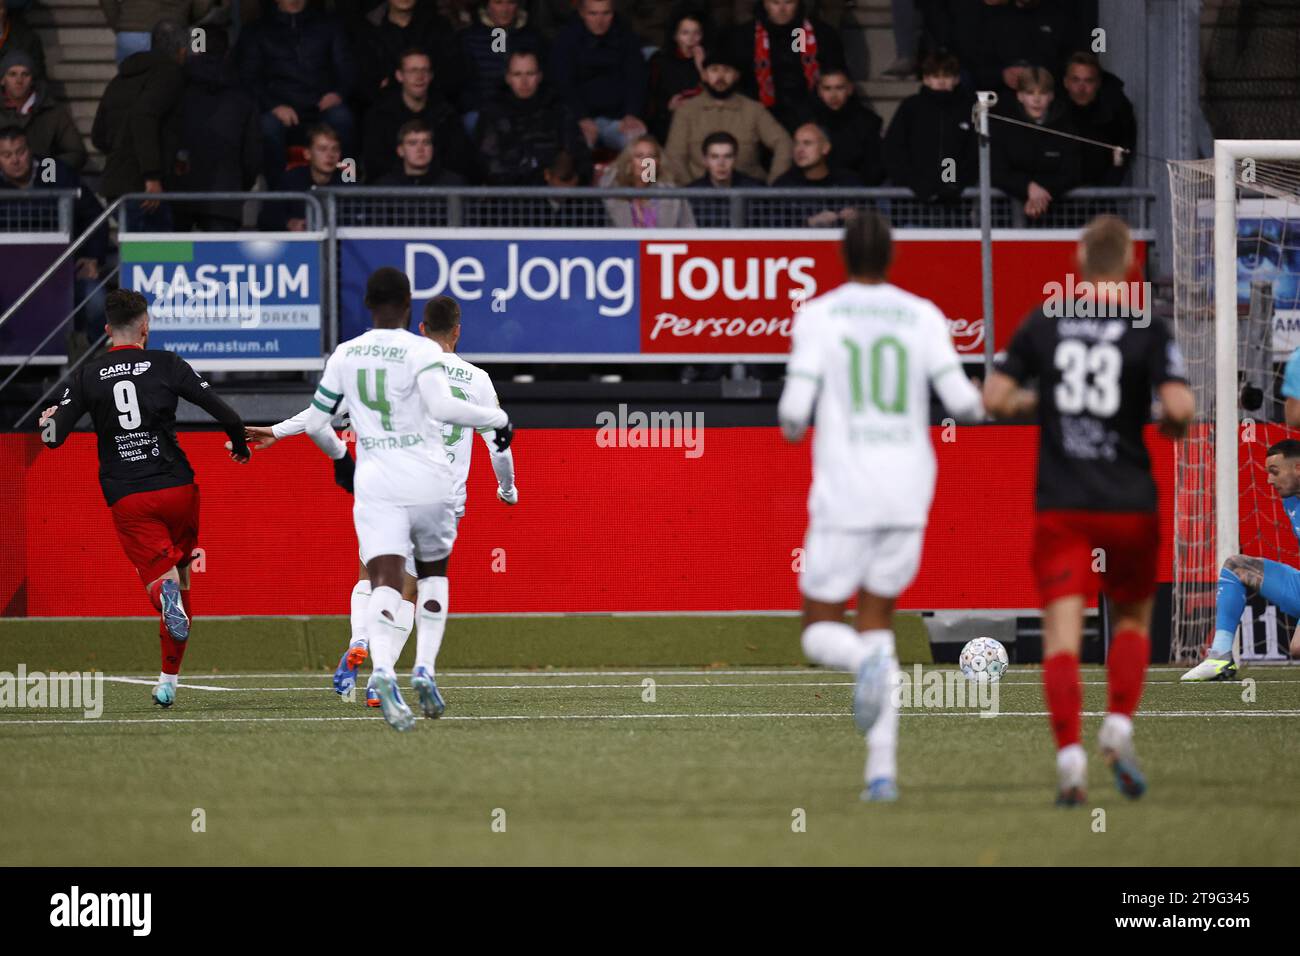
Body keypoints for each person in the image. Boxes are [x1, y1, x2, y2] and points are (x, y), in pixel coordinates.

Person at [983, 215, 1195, 804]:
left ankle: (1071, 760)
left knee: (1061, 639)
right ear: (1129, 263)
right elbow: (1180, 406)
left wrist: (1044, 402)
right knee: (1130, 621)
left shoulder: (1046, 319)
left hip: (1063, 504)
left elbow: (995, 398)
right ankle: (1119, 725)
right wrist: (1169, 424)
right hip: (1129, 502)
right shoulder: (1146, 325)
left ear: (1078, 261)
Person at [778, 211, 983, 802]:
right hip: (908, 492)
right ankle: (881, 774)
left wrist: (796, 425)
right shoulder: (922, 314)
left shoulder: (818, 314)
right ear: (892, 256)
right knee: (878, 626)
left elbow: (794, 410)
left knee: (821, 630)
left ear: (842, 256)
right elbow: (964, 406)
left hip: (845, 493)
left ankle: (861, 672)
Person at [247, 295, 519, 707]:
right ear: (458, 332)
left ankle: (359, 639)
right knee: (410, 590)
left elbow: (325, 412)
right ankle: (382, 673)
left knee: (370, 577)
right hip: (441, 495)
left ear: (422, 330)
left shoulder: (400, 369)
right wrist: (508, 489)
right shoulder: (476, 380)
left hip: (390, 485)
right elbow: (499, 447)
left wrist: (277, 431)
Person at [37, 289, 251, 708]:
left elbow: (52, 438)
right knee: (183, 579)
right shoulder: (167, 363)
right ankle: (168, 680)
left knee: (162, 581)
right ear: (144, 327)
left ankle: (165, 604)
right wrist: (239, 444)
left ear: (106, 331)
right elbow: (226, 412)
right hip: (178, 488)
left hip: (128, 495)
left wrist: (49, 420)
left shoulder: (87, 374)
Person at [1180, 438, 1300, 681]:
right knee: (1236, 567)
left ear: (1298, 468)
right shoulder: (1291, 499)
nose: (1269, 480)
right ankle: (1220, 656)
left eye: (1274, 472)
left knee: (1298, 648)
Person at [0, 126, 107, 360]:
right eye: (7, 155)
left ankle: (90, 361)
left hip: (61, 277)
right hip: (6, 282)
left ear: (30, 150)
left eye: (20, 152)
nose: (16, 160)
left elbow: (95, 216)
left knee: (97, 301)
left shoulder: (53, 172)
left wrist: (92, 257)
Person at [238, 0, 356, 186]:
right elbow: (248, 79)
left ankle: (347, 189)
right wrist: (274, 106)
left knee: (342, 117)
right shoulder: (256, 31)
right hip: (281, 111)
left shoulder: (329, 25)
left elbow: (347, 69)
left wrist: (338, 94)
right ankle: (280, 196)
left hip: (321, 109)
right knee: (267, 126)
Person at [91, 19, 188, 230]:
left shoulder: (120, 79)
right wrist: (151, 175)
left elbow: (98, 136)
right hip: (144, 190)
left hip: (116, 185)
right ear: (181, 51)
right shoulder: (170, 74)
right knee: (160, 258)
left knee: (137, 257)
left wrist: (121, 150)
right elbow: (143, 115)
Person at [172, 28, 259, 231]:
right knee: (220, 260)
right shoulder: (244, 95)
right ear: (227, 52)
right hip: (225, 197)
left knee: (171, 260)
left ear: (193, 50)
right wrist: (239, 187)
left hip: (177, 194)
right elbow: (253, 156)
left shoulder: (173, 90)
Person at [664, 48, 790, 184]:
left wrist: (774, 186)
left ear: (736, 76)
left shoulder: (754, 109)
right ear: (704, 75)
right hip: (701, 198)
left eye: (727, 70)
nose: (720, 76)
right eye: (714, 70)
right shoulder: (687, 110)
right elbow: (674, 156)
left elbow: (783, 143)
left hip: (749, 194)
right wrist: (692, 192)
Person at [475, 49, 591, 186]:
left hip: (556, 196)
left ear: (539, 76)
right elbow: (487, 164)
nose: (524, 82)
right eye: (517, 74)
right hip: (509, 198)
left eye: (530, 73)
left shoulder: (558, 109)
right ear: (508, 78)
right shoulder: (492, 112)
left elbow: (579, 156)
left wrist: (569, 179)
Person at [728, 0, 847, 132]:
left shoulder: (813, 34)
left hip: (810, 114)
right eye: (776, 3)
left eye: (788, 2)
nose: (782, 9)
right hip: (759, 114)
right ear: (765, 4)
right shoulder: (746, 36)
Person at [362, 47, 477, 183]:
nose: (419, 77)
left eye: (424, 70)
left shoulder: (446, 114)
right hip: (394, 190)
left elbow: (459, 160)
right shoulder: (381, 115)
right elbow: (375, 163)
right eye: (413, 71)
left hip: (439, 189)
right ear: (399, 76)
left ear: (431, 76)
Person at [547, 0, 648, 151]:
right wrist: (581, 117)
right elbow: (563, 84)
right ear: (582, 13)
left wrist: (632, 113)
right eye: (593, 13)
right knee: (572, 150)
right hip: (579, 120)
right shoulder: (566, 39)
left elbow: (637, 78)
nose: (599, 21)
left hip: (619, 120)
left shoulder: (626, 36)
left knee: (644, 148)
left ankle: (650, 176)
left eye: (606, 13)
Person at [882, 51, 975, 210]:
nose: (941, 81)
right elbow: (894, 151)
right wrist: (916, 184)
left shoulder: (967, 109)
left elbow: (973, 153)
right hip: (911, 203)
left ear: (956, 79)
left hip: (956, 206)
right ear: (926, 79)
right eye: (935, 76)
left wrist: (953, 183)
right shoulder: (910, 107)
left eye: (946, 76)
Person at [990, 67, 1080, 221]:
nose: (1037, 100)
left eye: (1043, 93)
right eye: (1030, 93)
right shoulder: (1003, 129)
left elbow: (1073, 171)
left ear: (1051, 96)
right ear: (1020, 96)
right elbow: (997, 171)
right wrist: (1028, 187)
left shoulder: (1066, 127)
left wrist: (1042, 191)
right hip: (1006, 218)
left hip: (1059, 217)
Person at [356, 0, 466, 111]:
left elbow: (451, 75)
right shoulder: (369, 31)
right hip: (385, 112)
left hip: (435, 110)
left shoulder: (439, 27)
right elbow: (367, 83)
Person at [459, 0, 546, 127]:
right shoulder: (468, 39)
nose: (505, 10)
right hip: (483, 112)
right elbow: (463, 88)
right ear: (487, 5)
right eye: (498, 2)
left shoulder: (533, 38)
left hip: (526, 111)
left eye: (511, 2)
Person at [1061, 51, 1137, 187]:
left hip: (1101, 193)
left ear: (1098, 83)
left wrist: (1105, 192)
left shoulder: (1114, 109)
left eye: (1088, 81)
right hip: (1058, 194)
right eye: (1075, 80)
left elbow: (1123, 148)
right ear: (1066, 82)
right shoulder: (1054, 109)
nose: (1081, 88)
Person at [0, 50, 86, 170]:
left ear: (32, 80)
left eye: (25, 74)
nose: (19, 80)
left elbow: (77, 153)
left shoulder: (54, 112)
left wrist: (45, 169)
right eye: (12, 74)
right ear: (2, 80)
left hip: (43, 185)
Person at [258, 123, 345, 231]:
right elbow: (266, 218)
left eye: (335, 149)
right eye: (322, 149)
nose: (330, 155)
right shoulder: (290, 180)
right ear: (307, 154)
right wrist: (289, 223)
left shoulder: (347, 184)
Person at [807, 66, 883, 185]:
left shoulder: (867, 123)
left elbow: (874, 168)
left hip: (857, 193)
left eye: (839, 88)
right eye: (827, 88)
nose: (833, 95)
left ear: (850, 89)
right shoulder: (809, 124)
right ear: (819, 91)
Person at [599, 133, 695, 228]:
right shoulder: (610, 194)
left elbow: (690, 230)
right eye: (639, 156)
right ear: (629, 162)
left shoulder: (673, 195)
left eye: (651, 156)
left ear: (659, 163)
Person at [644, 7, 706, 144]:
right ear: (675, 36)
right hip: (668, 124)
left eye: (696, 33)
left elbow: (718, 95)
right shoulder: (659, 62)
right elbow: (649, 101)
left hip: (703, 124)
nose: (691, 39)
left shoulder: (709, 61)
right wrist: (668, 107)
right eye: (685, 33)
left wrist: (701, 67)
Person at [687, 130, 761, 227]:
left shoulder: (755, 190)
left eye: (727, 156)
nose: (721, 163)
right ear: (705, 160)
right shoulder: (690, 195)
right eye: (714, 157)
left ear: (735, 159)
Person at [373, 119, 466, 187]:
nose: (420, 149)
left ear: (432, 148)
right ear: (400, 151)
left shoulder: (453, 183)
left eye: (426, 143)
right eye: (413, 143)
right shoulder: (385, 186)